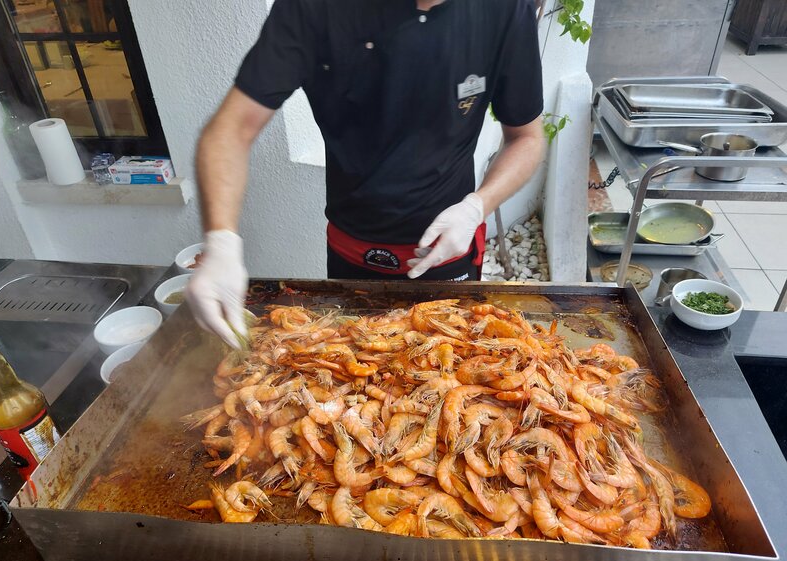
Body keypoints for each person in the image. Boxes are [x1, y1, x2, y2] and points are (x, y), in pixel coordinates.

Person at [186, 0, 545, 348]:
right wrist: (221, 242)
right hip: (351, 252)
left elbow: (526, 139)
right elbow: (230, 130)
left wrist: (476, 207)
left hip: (449, 254)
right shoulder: (314, 8)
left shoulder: (506, 7)